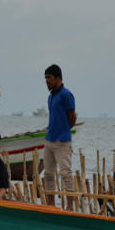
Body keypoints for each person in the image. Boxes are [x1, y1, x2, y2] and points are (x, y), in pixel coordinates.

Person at [43, 64, 76, 209]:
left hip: (62, 141)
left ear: (58, 78)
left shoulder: (66, 94)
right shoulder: (50, 97)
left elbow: (72, 117)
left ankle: (69, 207)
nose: (47, 81)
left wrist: (64, 130)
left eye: (49, 78)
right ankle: (51, 205)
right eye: (45, 78)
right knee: (48, 174)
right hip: (49, 140)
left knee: (65, 174)